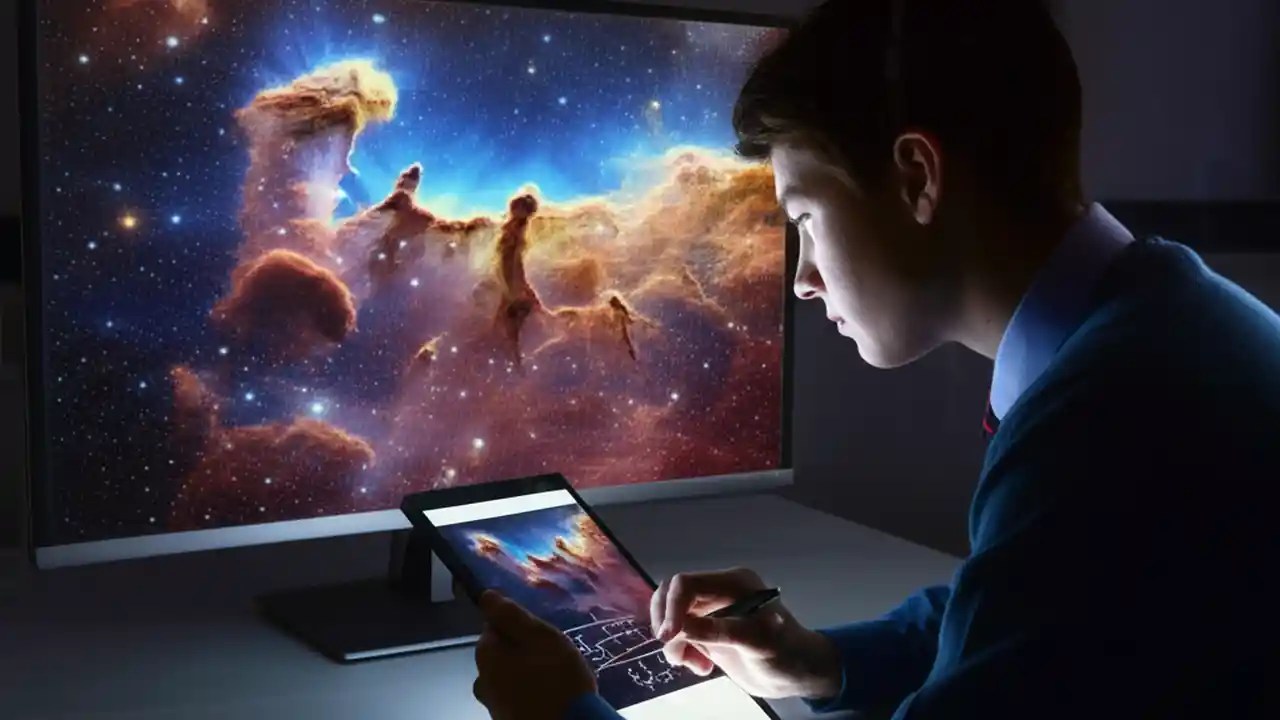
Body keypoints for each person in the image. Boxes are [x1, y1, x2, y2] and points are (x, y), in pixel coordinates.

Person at [468, 0, 1280, 718]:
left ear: (917, 177)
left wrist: (564, 714)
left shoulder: (1100, 425)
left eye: (806, 217)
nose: (802, 281)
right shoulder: (1165, 319)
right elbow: (1034, 611)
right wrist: (821, 661)